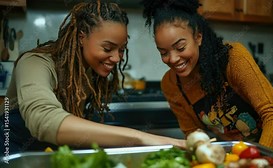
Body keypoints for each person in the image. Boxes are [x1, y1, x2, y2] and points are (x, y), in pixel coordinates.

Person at [0, 0, 185, 155]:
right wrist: (141, 137)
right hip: (11, 150)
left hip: (47, 154)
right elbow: (43, 120)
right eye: (107, 48)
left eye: (121, 50)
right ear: (82, 37)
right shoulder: (34, 63)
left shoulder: (88, 72)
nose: (116, 58)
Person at [142, 0, 273, 155]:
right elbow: (195, 137)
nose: (173, 59)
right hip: (238, 156)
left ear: (198, 37)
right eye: (163, 53)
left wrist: (255, 160)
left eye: (180, 47)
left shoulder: (233, 58)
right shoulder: (171, 85)